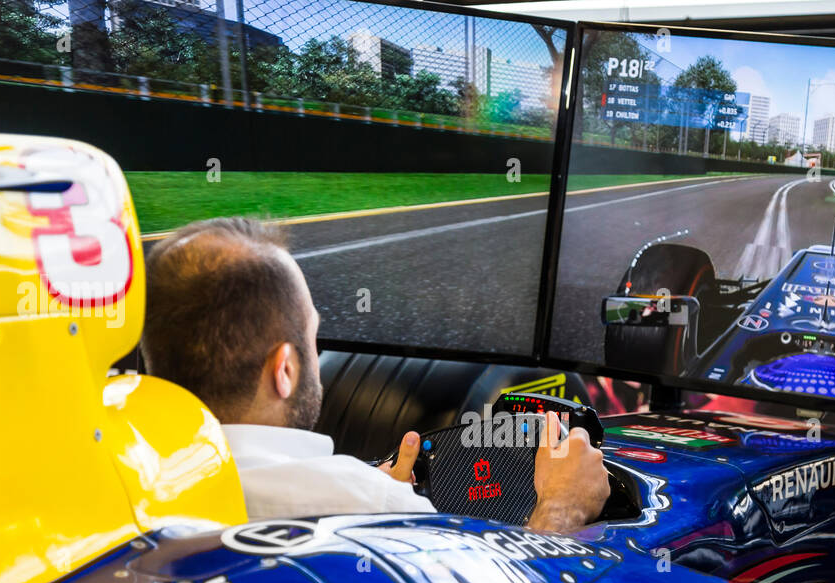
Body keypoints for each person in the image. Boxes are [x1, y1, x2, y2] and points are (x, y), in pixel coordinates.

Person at [140, 217, 609, 533]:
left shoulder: (112, 484)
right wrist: (564, 504)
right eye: (312, 337)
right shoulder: (362, 503)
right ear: (284, 369)